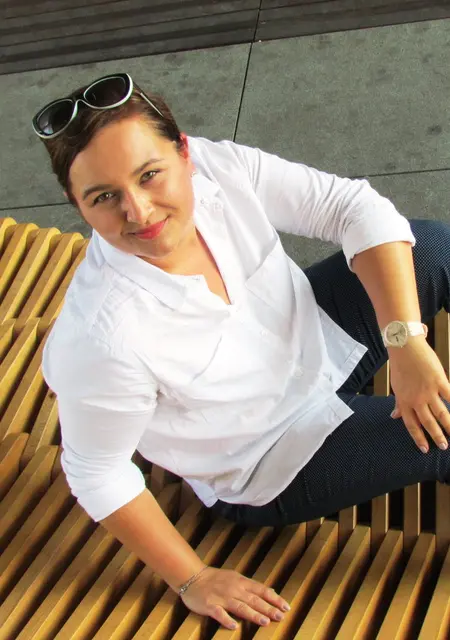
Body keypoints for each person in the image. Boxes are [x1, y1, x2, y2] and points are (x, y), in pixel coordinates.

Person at [33, 72, 450, 632]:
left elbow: (353, 207)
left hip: (318, 341)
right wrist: (193, 578)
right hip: (274, 455)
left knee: (434, 246)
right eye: (104, 197)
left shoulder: (218, 168)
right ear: (77, 204)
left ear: (184, 153)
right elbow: (95, 470)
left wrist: (405, 340)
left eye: (150, 175)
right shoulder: (99, 337)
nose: (139, 211)